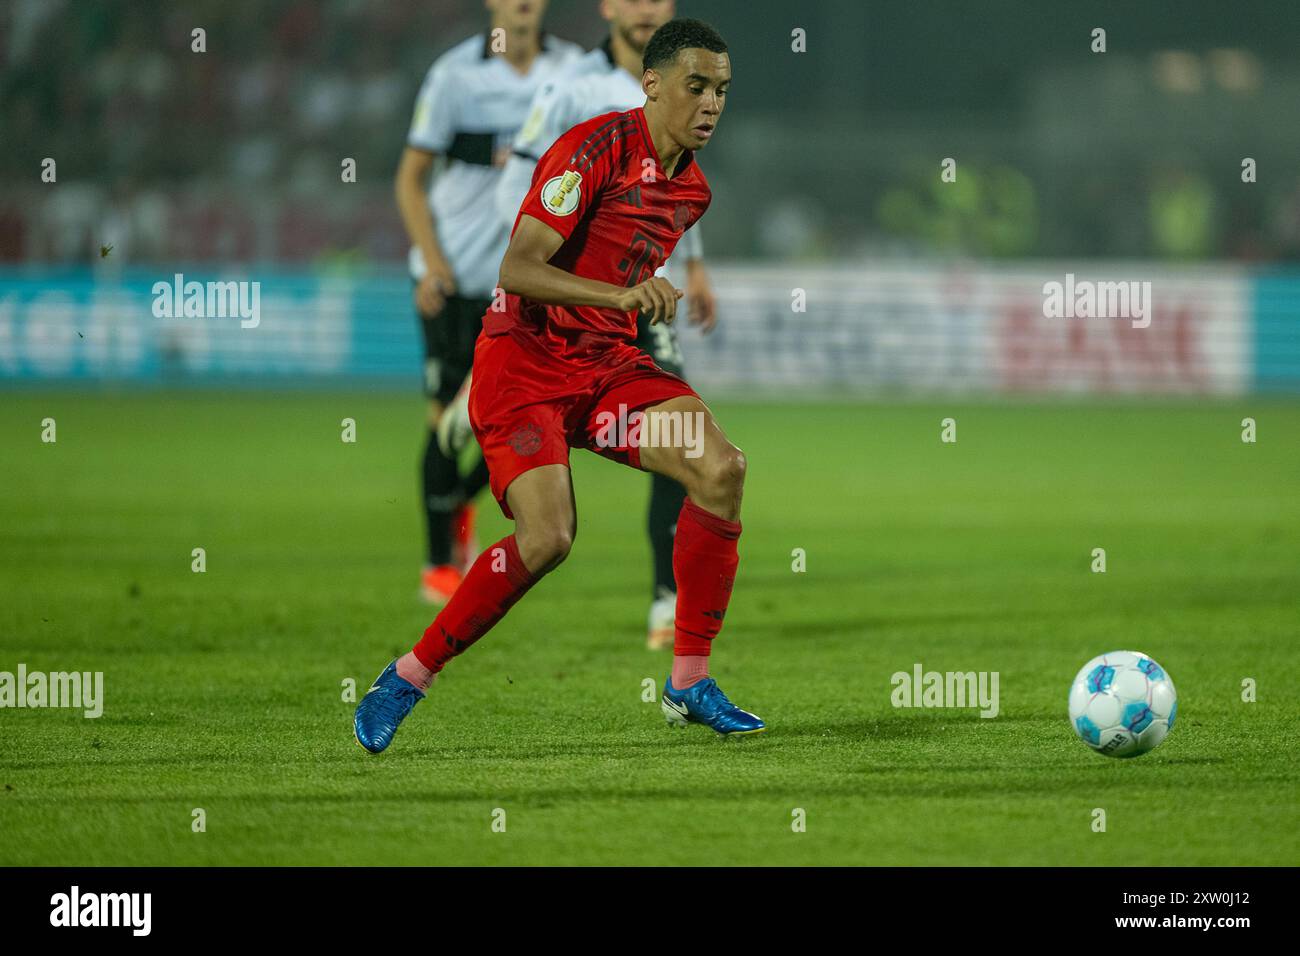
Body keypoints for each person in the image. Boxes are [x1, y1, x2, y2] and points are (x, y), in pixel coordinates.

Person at [356, 18, 762, 753]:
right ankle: (408, 676)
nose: (711, 104)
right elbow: (518, 268)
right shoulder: (594, 148)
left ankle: (689, 681)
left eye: (722, 91)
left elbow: (624, 274)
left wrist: (633, 304)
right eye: (697, 86)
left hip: (606, 372)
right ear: (653, 84)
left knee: (720, 468)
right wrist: (624, 297)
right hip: (524, 365)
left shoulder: (691, 190)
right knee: (547, 539)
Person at [394, 0, 580, 605]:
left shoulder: (570, 71)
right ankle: (436, 562)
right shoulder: (455, 75)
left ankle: (461, 508)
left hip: (526, 286)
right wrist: (432, 262)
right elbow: (410, 179)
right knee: (447, 423)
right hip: (456, 280)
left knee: (529, 419)